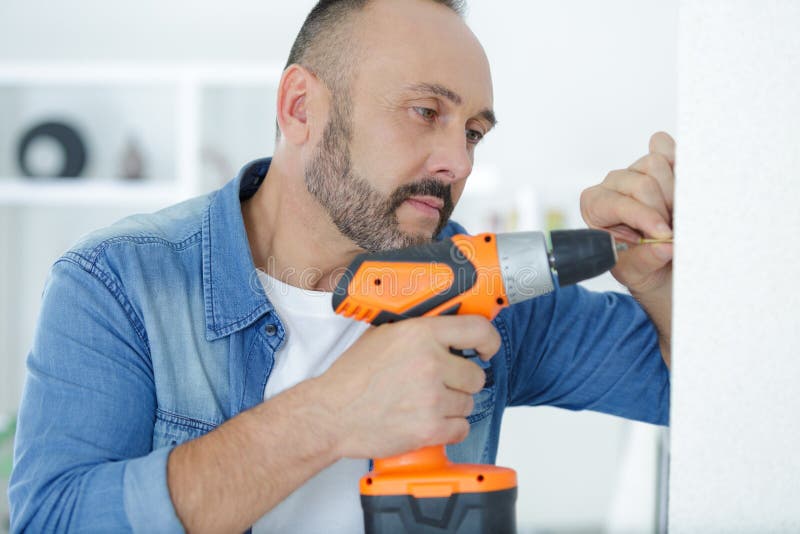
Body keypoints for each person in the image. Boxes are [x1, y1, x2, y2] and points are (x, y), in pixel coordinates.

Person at [9, 0, 675, 532]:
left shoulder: (481, 285)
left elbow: (709, 400)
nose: (460, 162)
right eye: (424, 112)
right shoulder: (118, 284)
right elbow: (54, 521)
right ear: (300, 108)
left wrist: (659, 285)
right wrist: (329, 415)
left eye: (472, 132)